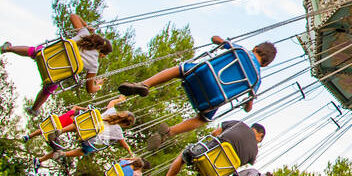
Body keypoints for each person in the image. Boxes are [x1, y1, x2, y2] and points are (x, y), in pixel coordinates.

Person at [118, 37, 277, 142]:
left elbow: (215, 39)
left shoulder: (241, 50)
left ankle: (145, 84)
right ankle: (169, 132)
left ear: (256, 48)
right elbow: (248, 107)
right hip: (214, 98)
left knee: (179, 69)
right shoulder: (257, 80)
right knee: (203, 119)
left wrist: (223, 41)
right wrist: (247, 103)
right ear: (265, 64)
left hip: (202, 74)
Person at [1, 13, 112, 113]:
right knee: (49, 89)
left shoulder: (84, 34)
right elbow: (90, 89)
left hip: (46, 56)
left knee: (34, 51)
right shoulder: (94, 64)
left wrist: (87, 26)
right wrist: (99, 85)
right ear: (102, 53)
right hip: (54, 74)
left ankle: (8, 48)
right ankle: (34, 109)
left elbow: (73, 16)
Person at [153, 120, 266, 176]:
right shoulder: (254, 152)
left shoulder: (238, 124)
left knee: (183, 156)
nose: (259, 142)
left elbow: (214, 133)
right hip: (216, 172)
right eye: (260, 140)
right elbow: (243, 162)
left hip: (205, 154)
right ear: (260, 135)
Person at [43, 97, 136, 163]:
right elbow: (124, 144)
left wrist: (120, 99)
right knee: (86, 151)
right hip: (89, 138)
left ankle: (61, 131)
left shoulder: (112, 112)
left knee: (79, 123)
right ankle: (63, 154)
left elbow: (112, 102)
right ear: (125, 125)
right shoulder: (118, 132)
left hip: (85, 125)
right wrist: (131, 152)